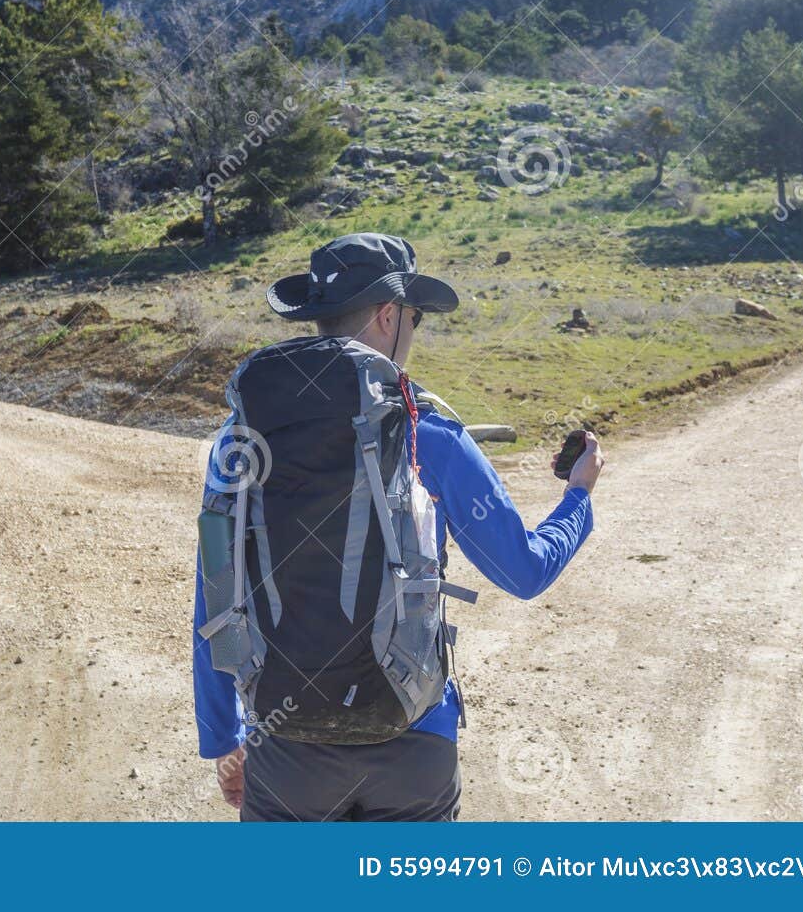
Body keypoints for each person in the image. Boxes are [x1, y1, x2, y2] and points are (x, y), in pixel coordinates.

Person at [192, 232, 602, 821]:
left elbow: (214, 593)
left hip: (285, 745)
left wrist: (225, 737)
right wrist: (578, 496)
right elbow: (525, 571)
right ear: (389, 314)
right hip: (413, 738)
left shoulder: (240, 439)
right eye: (415, 317)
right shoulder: (427, 430)